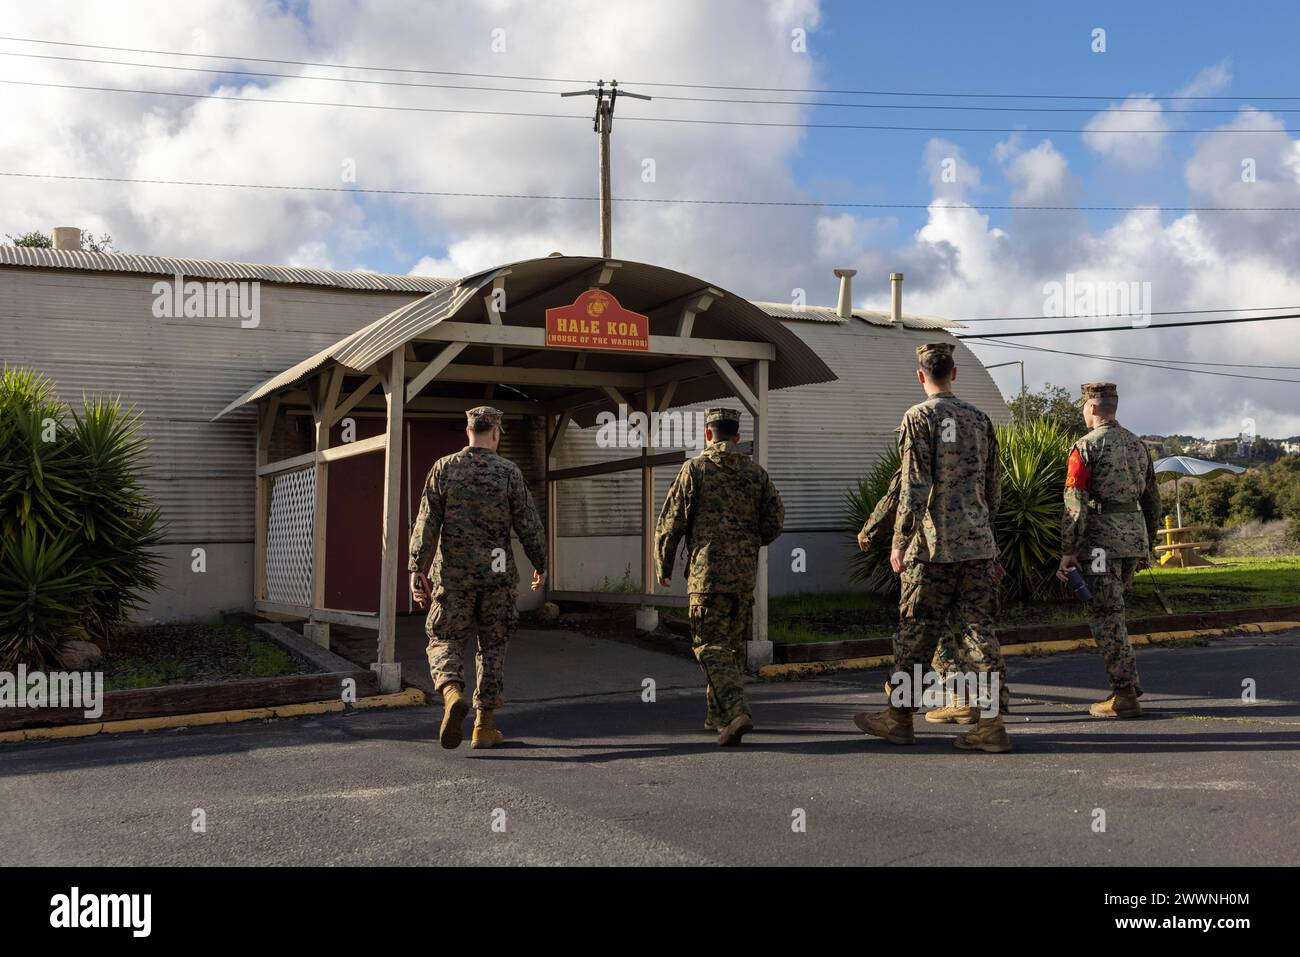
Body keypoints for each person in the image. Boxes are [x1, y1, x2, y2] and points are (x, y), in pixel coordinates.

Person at [854, 342, 1011, 752]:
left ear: (921, 375)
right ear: (954, 373)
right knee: (980, 636)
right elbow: (994, 488)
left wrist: (900, 541)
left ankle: (898, 719)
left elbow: (914, 485)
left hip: (932, 550)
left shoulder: (918, 417)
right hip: (977, 546)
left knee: (916, 637)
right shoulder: (980, 419)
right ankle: (991, 726)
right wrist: (982, 529)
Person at [408, 406, 547, 750]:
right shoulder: (509, 472)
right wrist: (540, 563)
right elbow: (528, 524)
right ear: (496, 433)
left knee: (445, 640)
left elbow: (427, 522)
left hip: (453, 575)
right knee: (492, 647)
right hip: (497, 576)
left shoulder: (444, 468)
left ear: (467, 432)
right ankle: (484, 726)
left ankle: (452, 692)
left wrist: (417, 569)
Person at [655, 407, 784, 746]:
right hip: (743, 577)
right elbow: (774, 522)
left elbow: (671, 523)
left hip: (707, 576)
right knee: (731, 650)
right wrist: (748, 543)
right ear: (737, 437)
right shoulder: (756, 474)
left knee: (708, 646)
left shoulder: (694, 470)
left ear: (708, 434)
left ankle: (736, 711)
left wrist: (663, 564)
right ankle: (717, 714)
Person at [1057, 382, 1161, 718]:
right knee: (1115, 613)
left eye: (1083, 407)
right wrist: (1149, 541)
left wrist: (1069, 549)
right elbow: (1152, 500)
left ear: (1091, 407)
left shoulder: (1085, 447)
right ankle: (1126, 685)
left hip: (1102, 544)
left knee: (1106, 617)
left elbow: (1075, 503)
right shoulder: (1138, 445)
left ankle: (1124, 693)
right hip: (1133, 540)